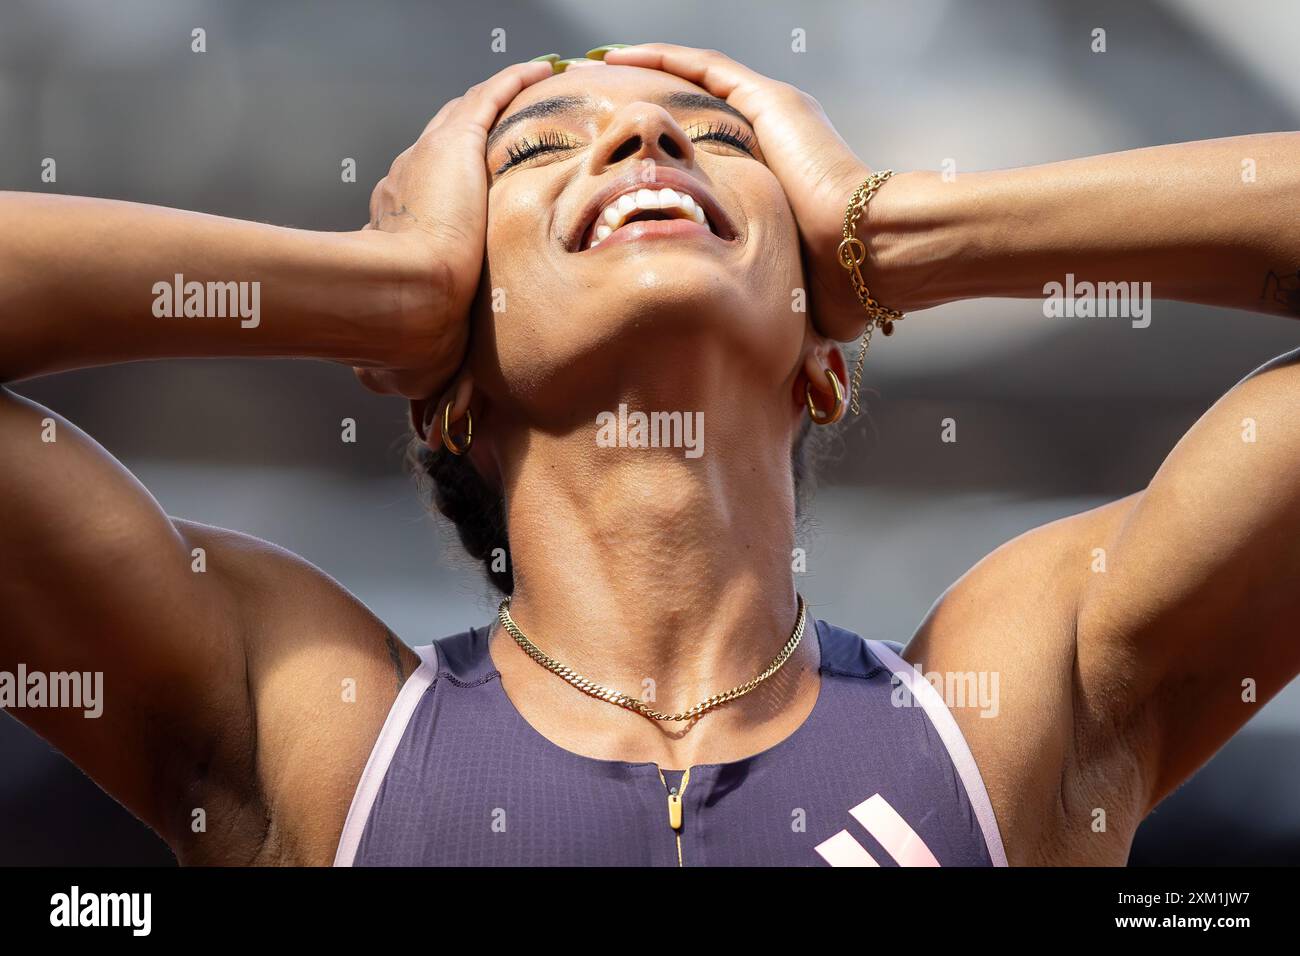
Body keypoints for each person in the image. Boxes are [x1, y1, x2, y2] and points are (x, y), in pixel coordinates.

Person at [1, 43, 1297, 866]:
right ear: (447, 390)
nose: (644, 140)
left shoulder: (1015, 715)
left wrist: (890, 231)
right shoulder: (306, 729)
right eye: (539, 150)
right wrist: (383, 290)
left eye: (720, 138)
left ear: (825, 358)